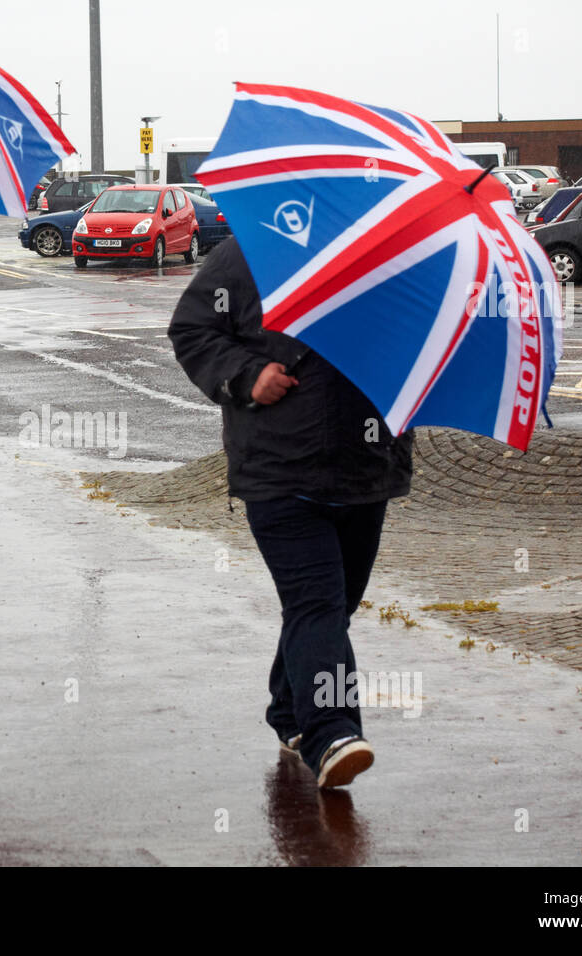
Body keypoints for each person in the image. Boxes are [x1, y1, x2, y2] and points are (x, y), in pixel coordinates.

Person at [168, 237, 413, 788]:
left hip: (365, 468)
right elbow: (192, 330)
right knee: (317, 603)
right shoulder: (252, 252)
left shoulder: (394, 256)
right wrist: (246, 375)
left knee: (332, 608)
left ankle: (288, 711)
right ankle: (331, 732)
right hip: (279, 472)